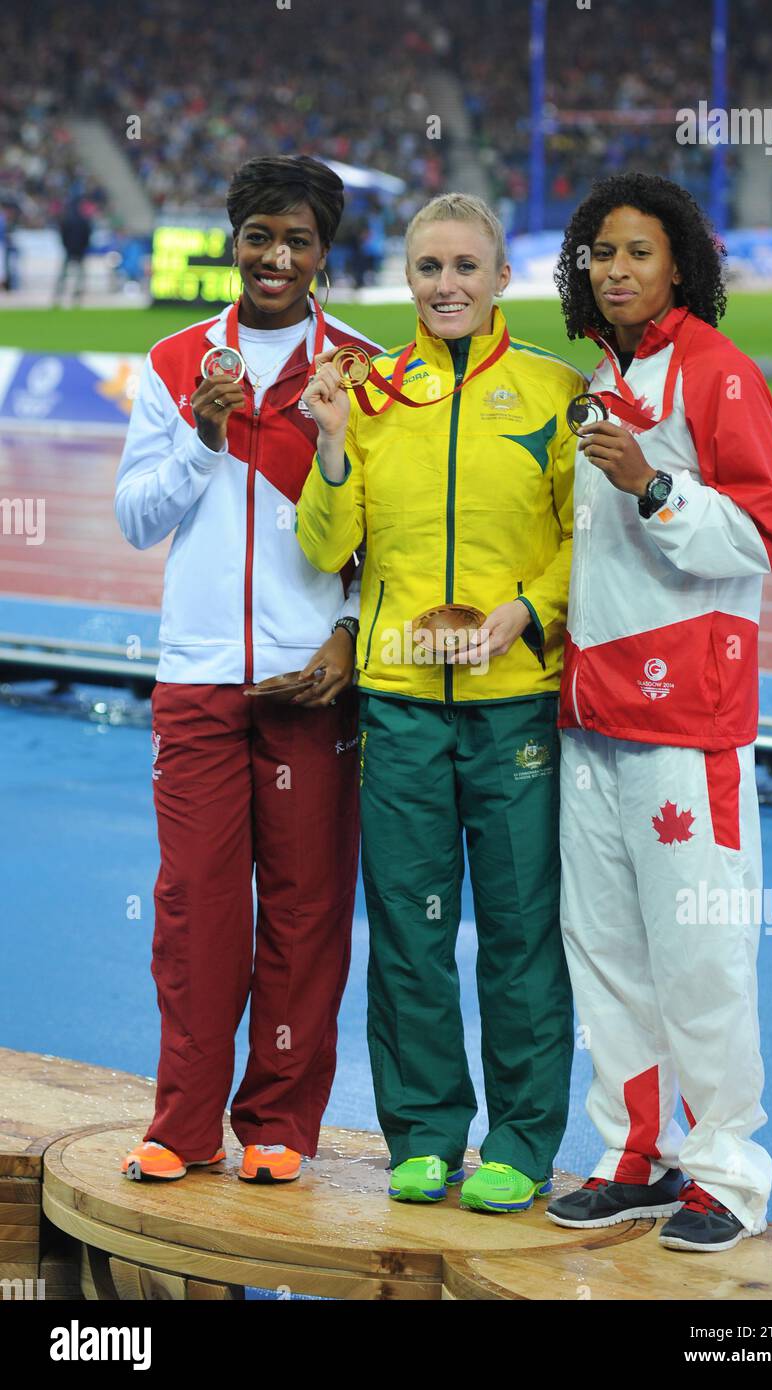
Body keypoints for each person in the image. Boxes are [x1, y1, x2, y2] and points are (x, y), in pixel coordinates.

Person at [296, 193, 583, 1213]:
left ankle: (518, 1138)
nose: (447, 284)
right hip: (401, 705)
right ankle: (421, 1133)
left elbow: (579, 540)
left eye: (466, 265)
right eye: (429, 268)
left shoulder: (556, 391)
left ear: (502, 277)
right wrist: (330, 444)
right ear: (406, 279)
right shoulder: (368, 395)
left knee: (517, 931)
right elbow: (324, 545)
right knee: (411, 931)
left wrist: (522, 612)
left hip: (513, 707)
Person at [115, 155, 378, 1185]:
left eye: (298, 239)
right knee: (196, 910)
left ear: (324, 252)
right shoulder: (176, 358)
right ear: (233, 237)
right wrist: (202, 434)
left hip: (311, 686)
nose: (277, 256)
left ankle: (278, 1124)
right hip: (198, 680)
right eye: (260, 234)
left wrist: (349, 634)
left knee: (308, 912)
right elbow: (138, 522)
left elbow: (384, 537)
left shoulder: (359, 367)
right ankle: (182, 1125)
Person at [547, 173, 772, 1252]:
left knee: (699, 955)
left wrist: (654, 485)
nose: (616, 269)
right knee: (602, 948)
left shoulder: (717, 372)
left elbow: (760, 535)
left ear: (677, 264)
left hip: (686, 719)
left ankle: (725, 1171)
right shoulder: (604, 375)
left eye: (637, 252)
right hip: (592, 714)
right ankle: (632, 1154)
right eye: (601, 252)